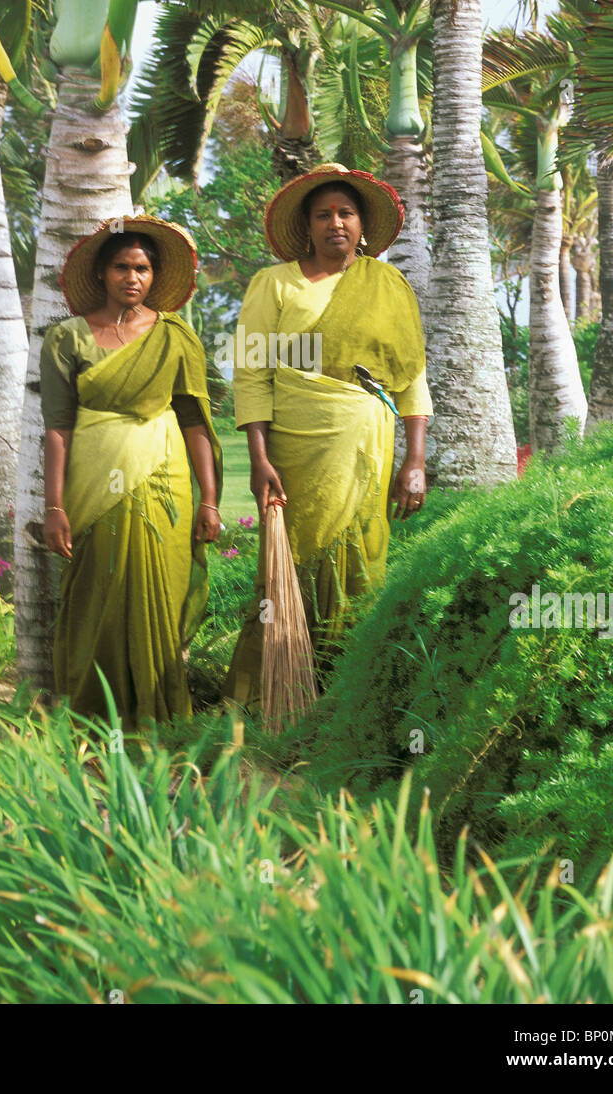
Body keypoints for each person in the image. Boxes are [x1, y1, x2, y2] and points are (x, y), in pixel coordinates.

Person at [224, 163, 432, 708]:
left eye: (346, 213)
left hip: (368, 441)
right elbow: (253, 374)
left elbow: (410, 379)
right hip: (295, 444)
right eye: (323, 215)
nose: (335, 223)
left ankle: (347, 697)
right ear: (307, 225)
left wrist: (414, 459)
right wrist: (259, 456)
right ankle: (271, 694)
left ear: (363, 224)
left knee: (363, 557)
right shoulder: (274, 283)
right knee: (289, 560)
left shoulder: (389, 286)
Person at [40, 214, 222, 727]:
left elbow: (194, 421)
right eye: (121, 267)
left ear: (154, 275)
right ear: (102, 273)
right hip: (94, 481)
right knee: (97, 589)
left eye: (142, 268)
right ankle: (94, 715)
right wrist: (54, 507)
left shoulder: (175, 337)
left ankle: (159, 716)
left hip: (165, 479)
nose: (132, 278)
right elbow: (57, 427)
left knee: (159, 591)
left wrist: (209, 498)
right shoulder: (66, 338)